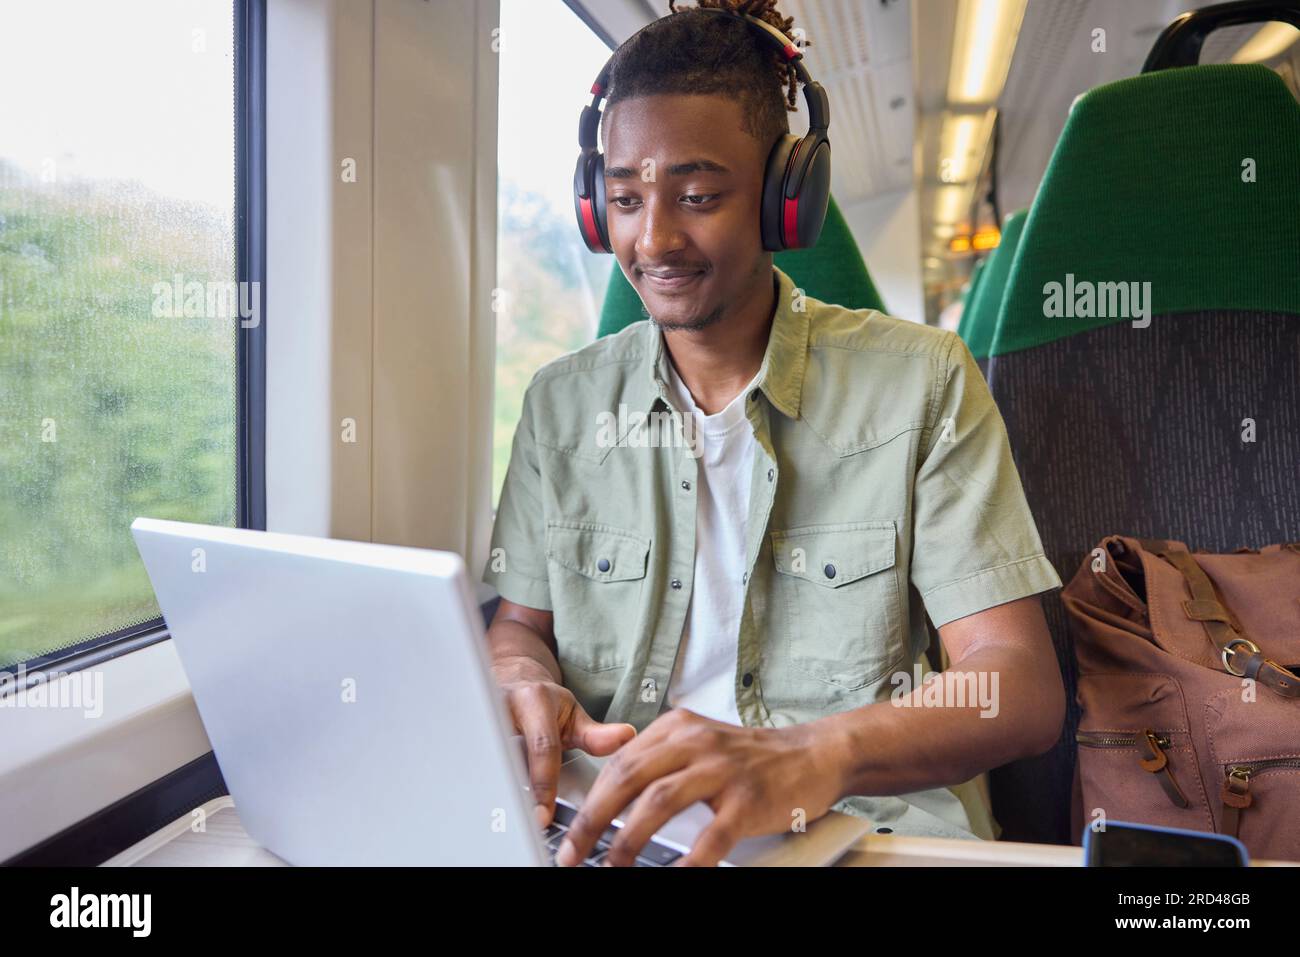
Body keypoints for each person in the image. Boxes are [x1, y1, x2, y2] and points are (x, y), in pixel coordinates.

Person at [483, 0, 1064, 867]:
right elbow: (517, 625)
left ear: (786, 195)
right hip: (611, 825)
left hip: (859, 825)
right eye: (626, 198)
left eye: (699, 195)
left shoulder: (923, 380)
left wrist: (814, 754)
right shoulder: (560, 406)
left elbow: (1018, 683)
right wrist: (520, 675)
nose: (656, 238)